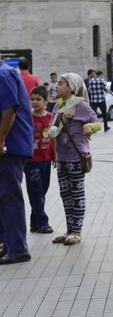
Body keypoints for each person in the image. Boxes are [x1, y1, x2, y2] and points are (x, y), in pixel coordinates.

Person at [47, 73, 101, 246]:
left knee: (77, 195)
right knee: (65, 195)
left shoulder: (81, 105)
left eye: (61, 83)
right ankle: (69, 229)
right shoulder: (57, 106)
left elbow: (97, 122)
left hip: (76, 158)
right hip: (61, 158)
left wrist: (88, 127)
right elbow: (51, 129)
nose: (57, 86)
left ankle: (77, 231)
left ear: (70, 87)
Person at [0, 60, 34, 265]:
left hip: (9, 147)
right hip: (10, 145)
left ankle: (18, 248)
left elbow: (9, 109)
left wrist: (1, 139)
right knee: (4, 196)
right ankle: (10, 244)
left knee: (9, 196)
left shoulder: (3, 75)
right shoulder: (6, 72)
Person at [24, 86, 54, 236]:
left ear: (46, 101)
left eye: (38, 99)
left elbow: (53, 138)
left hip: (46, 159)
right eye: (32, 99)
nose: (34, 102)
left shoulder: (50, 117)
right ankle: (42, 222)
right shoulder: (27, 117)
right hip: (31, 161)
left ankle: (34, 222)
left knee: (43, 189)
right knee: (36, 191)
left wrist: (55, 156)